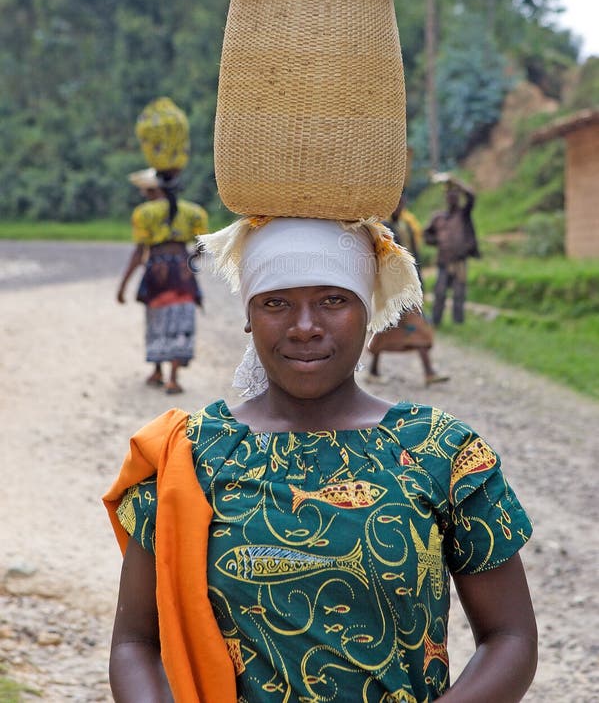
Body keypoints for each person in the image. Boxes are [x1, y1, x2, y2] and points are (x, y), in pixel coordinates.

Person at [105, 217, 537, 702]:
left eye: (333, 300)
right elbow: (136, 643)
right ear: (248, 314)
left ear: (367, 309)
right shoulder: (190, 453)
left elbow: (510, 638)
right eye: (276, 303)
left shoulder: (437, 449)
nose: (305, 327)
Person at [116, 167, 208, 395]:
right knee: (180, 319)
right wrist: (191, 259)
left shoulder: (144, 214)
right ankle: (173, 379)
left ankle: (158, 371)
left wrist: (123, 285)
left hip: (156, 271)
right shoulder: (194, 212)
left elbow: (139, 253)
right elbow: (203, 244)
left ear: (151, 190)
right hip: (182, 270)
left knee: (156, 318)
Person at [368, 194, 449, 387]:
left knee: (410, 324)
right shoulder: (383, 229)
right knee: (390, 325)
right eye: (396, 204)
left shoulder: (408, 227)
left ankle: (426, 371)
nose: (399, 207)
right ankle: (426, 371)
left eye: (401, 204)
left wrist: (419, 282)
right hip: (393, 286)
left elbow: (415, 256)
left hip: (409, 286)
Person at [424, 175, 480, 326]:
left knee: (459, 293)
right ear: (446, 198)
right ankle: (436, 321)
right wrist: (437, 241)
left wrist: (459, 184)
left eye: (455, 195)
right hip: (443, 262)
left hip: (459, 262)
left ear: (458, 197)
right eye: (450, 195)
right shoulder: (438, 218)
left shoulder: (463, 214)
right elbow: (426, 234)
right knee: (440, 293)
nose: (452, 198)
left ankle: (458, 323)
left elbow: (472, 197)